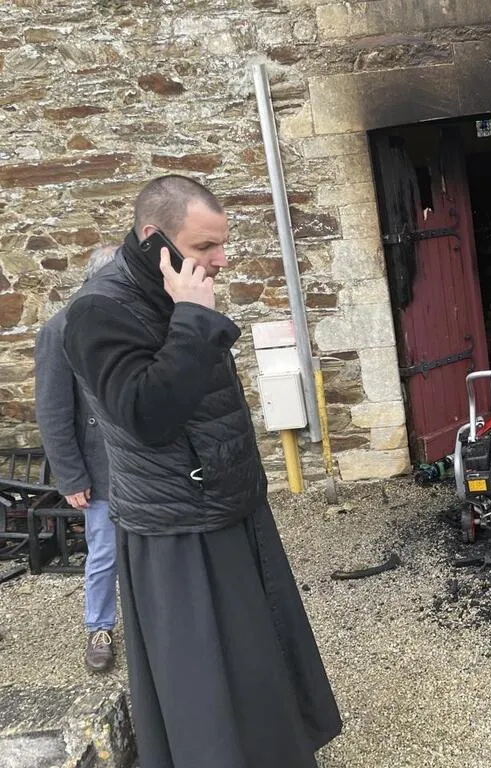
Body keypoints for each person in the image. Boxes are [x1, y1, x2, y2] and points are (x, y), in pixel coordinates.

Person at [61, 174, 342, 768]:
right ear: (153, 237)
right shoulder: (97, 311)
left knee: (259, 660)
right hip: (175, 528)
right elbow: (147, 415)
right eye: (204, 247)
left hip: (228, 506)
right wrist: (191, 316)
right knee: (206, 684)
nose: (219, 260)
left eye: (221, 244)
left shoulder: (173, 286)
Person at [35, 244, 118, 672]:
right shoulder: (59, 328)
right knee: (104, 552)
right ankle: (99, 628)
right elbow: (52, 410)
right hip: (98, 468)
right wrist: (70, 477)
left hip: (142, 466)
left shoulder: (131, 320)